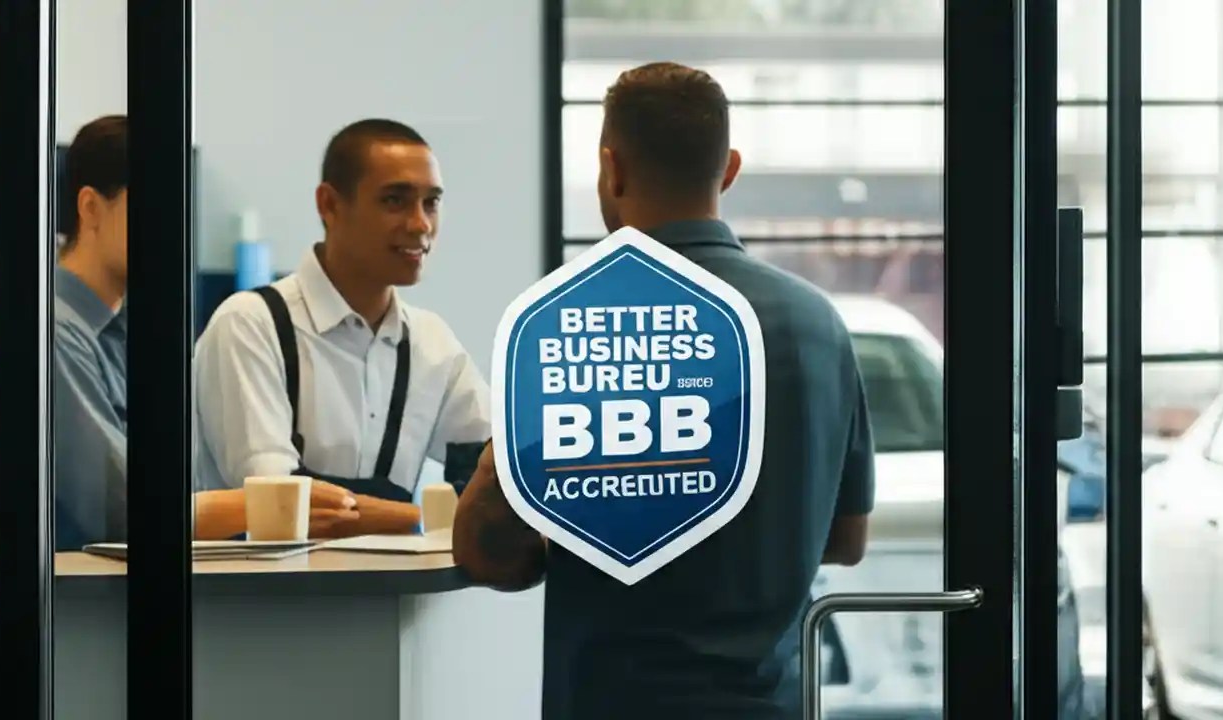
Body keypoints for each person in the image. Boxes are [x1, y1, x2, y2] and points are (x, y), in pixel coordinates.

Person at [452, 63, 875, 719]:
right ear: (728, 169)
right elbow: (845, 540)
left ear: (610, 168)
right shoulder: (817, 324)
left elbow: (486, 548)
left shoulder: (583, 324)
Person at [52, 115, 360, 550]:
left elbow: (187, 481)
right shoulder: (55, 333)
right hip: (71, 610)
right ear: (90, 208)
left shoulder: (138, 332)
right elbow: (121, 510)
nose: (172, 229)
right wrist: (273, 505)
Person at [193, 119, 490, 536]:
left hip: (394, 599)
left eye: (431, 203)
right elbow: (281, 510)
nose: (420, 224)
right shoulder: (250, 325)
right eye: (395, 201)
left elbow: (496, 478)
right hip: (262, 600)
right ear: (329, 205)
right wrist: (425, 518)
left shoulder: (431, 342)